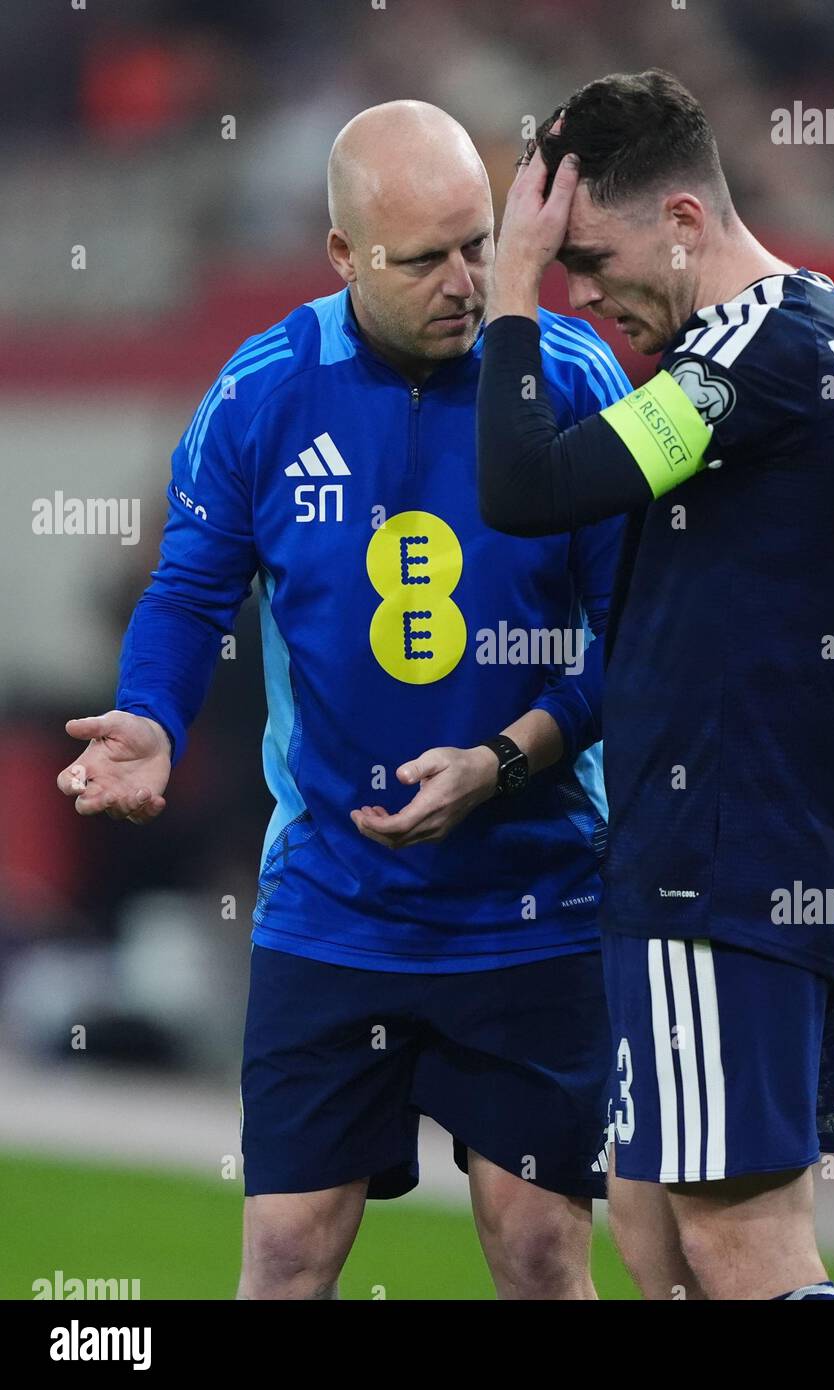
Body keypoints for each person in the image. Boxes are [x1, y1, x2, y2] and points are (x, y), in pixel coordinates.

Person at [56, 100, 632, 1300]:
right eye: (424, 259)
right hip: (333, 904)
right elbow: (188, 588)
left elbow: (634, 643)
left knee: (537, 1253)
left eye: (479, 243)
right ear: (341, 256)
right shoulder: (265, 391)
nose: (466, 283)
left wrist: (506, 765)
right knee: (282, 1257)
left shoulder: (570, 378)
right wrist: (153, 717)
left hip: (530, 905)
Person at [477, 69, 834, 1301]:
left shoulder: (745, 363)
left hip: (718, 863)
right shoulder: (808, 332)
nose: (580, 293)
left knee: (736, 1247)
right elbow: (675, 627)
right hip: (755, 846)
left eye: (589, 257)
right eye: (557, 273)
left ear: (680, 219)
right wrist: (516, 754)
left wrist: (507, 292)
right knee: (658, 1240)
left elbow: (525, 487)